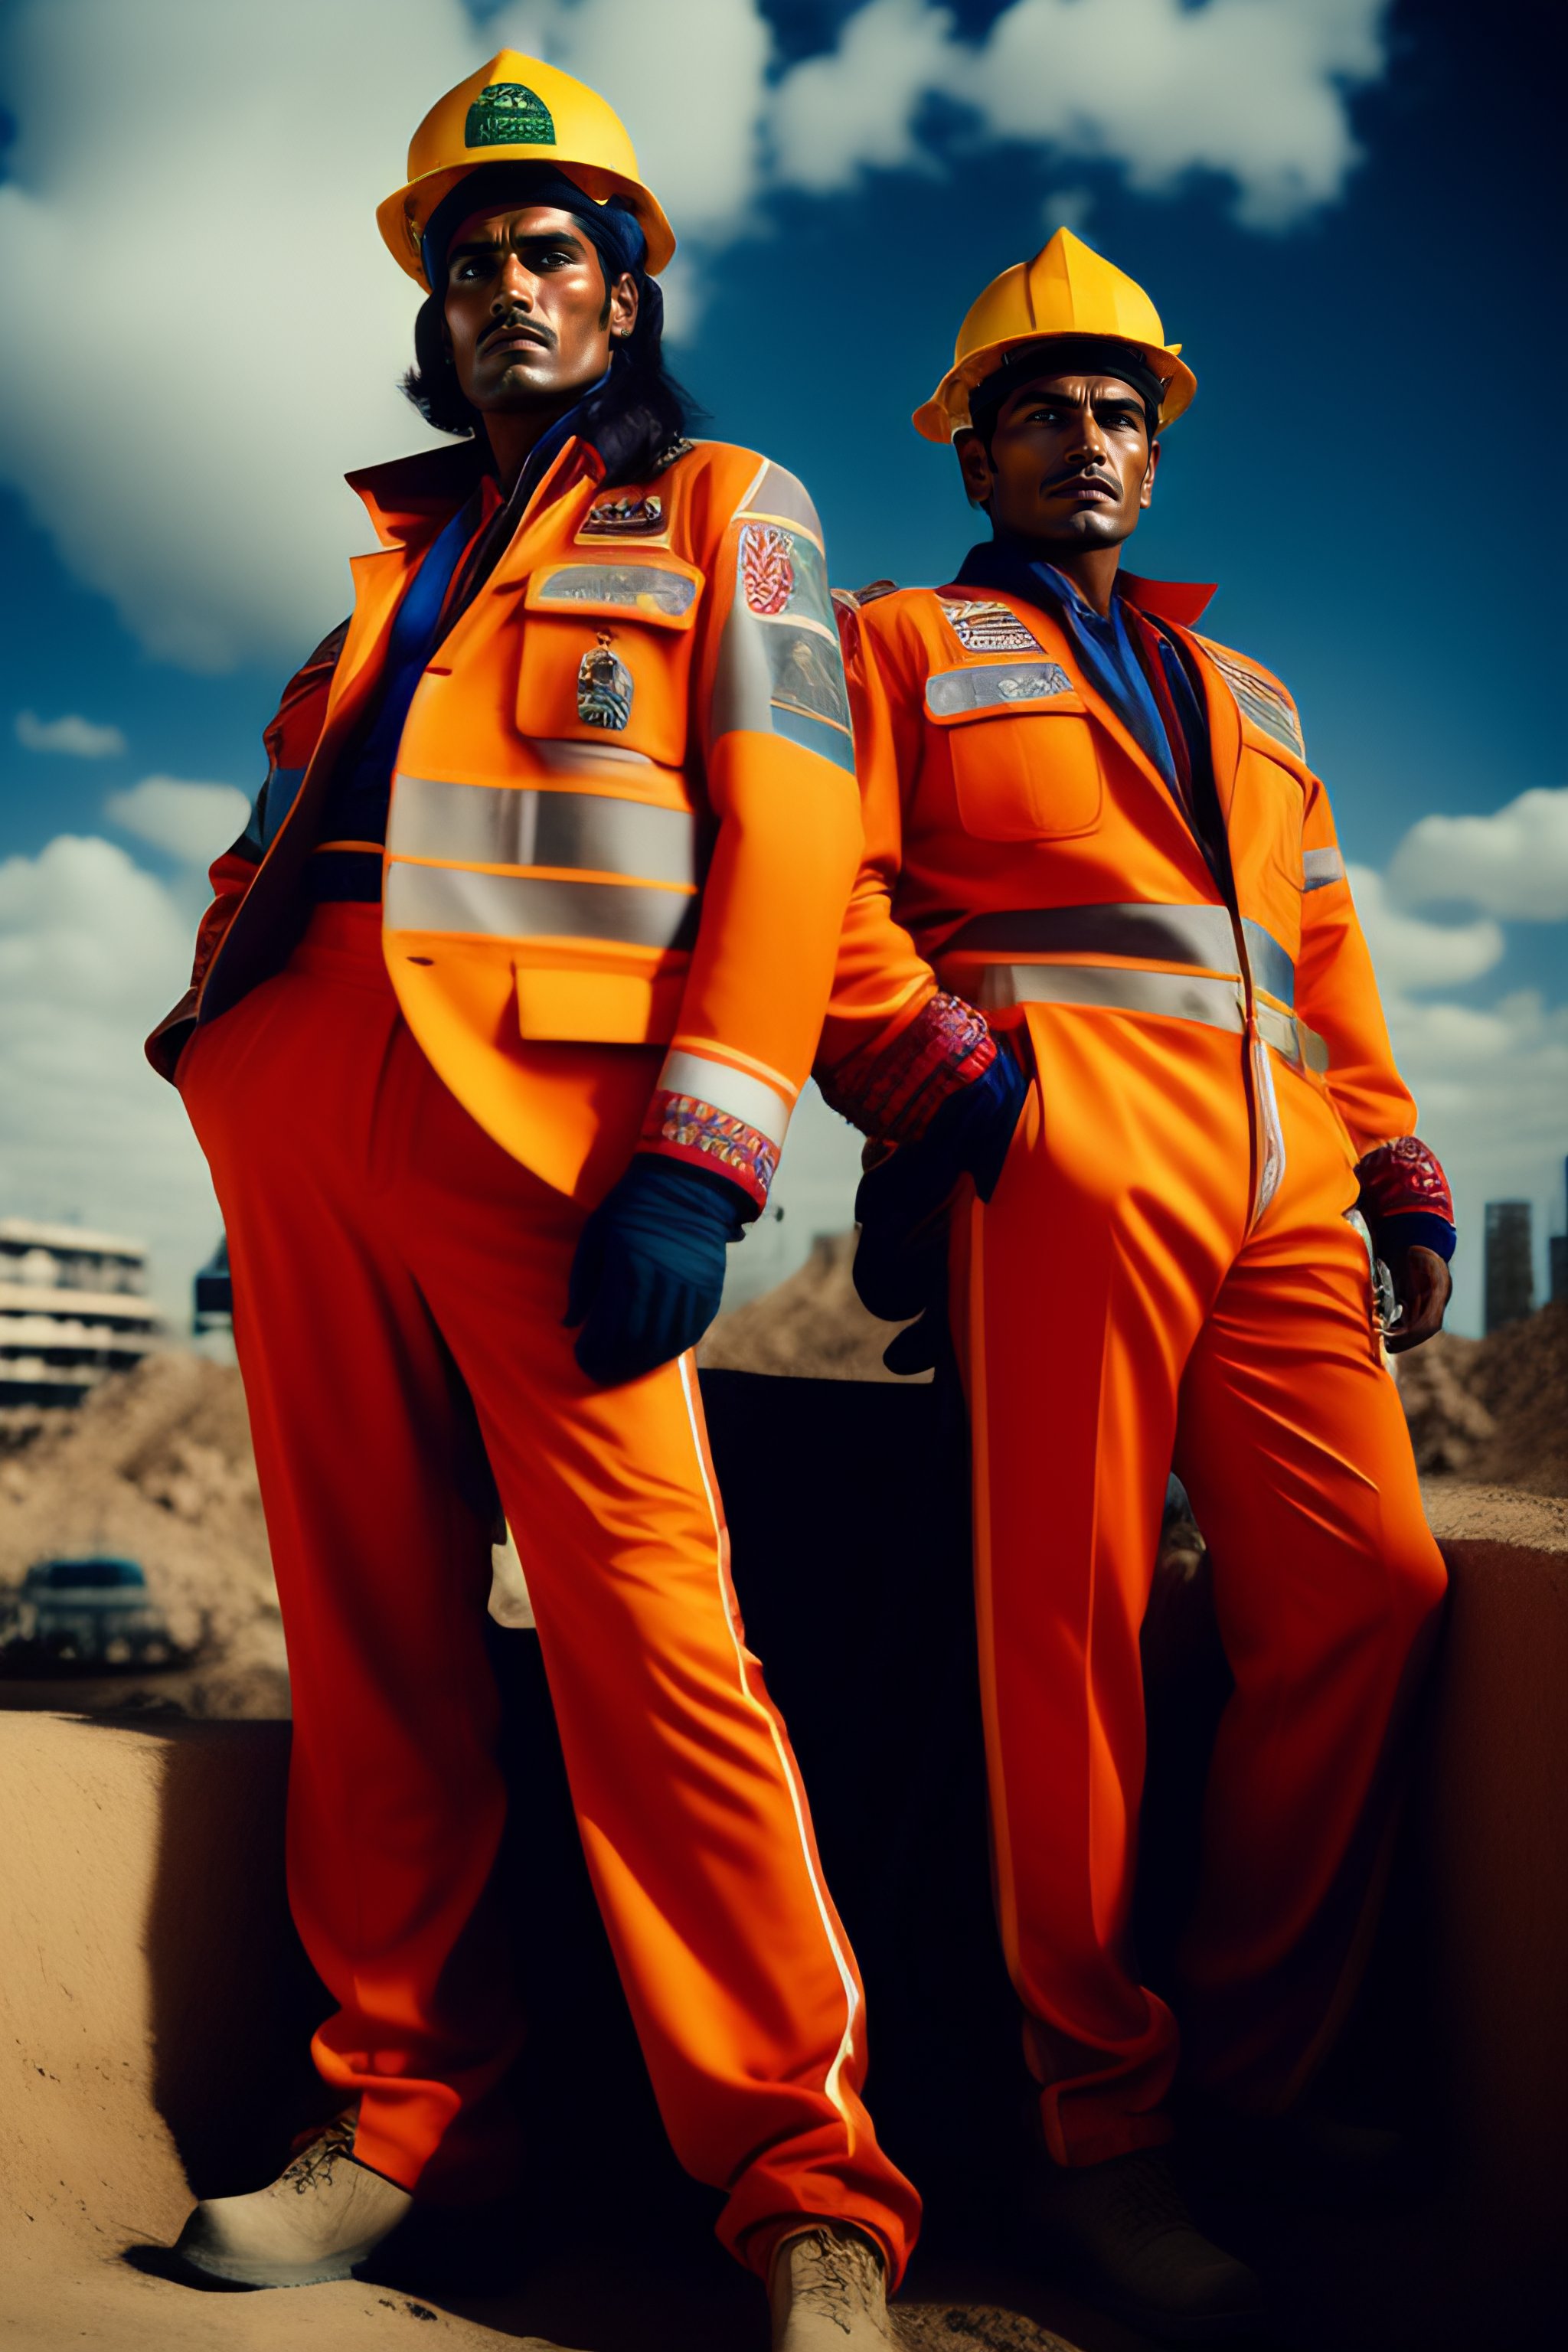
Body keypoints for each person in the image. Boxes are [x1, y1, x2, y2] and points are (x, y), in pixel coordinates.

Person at [147, 51, 917, 2341]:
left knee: (657, 1652)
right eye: (469, 257)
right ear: (433, 299)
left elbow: (792, 840)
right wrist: (215, 1044)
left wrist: (704, 1145)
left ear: (628, 279)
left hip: (569, 1153)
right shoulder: (389, 558)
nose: (506, 285)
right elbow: (277, 837)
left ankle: (809, 2187)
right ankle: (401, 2119)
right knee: (372, 1640)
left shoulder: (726, 510)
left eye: (549, 249)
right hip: (310, 1129)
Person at [815, 227, 1453, 2342]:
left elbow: (1328, 958)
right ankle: (1104, 2135)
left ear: (1155, 459)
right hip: (1062, 1155)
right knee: (1065, 1645)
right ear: (976, 447)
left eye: (1120, 413)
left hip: (1282, 1183)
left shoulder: (1256, 699)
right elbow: (804, 893)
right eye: (1044, 410)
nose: (1085, 439)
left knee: (1369, 1590)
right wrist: (949, 1091)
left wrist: (1397, 1167)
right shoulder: (895, 644)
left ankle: (1254, 2077)